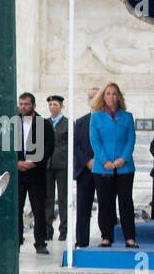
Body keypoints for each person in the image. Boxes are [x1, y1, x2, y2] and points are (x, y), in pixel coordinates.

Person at [90, 82, 136, 248]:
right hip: (103, 167)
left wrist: (123, 159)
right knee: (105, 202)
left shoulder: (127, 116)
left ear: (119, 97)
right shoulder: (96, 117)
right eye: (108, 93)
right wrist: (106, 161)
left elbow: (131, 140)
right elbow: (95, 141)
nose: (111, 97)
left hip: (124, 167)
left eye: (114, 93)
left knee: (125, 202)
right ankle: (106, 236)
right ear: (103, 97)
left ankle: (130, 237)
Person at [15, 92, 55, 255]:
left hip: (36, 173)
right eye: (21, 104)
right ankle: (16, 240)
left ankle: (40, 241)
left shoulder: (43, 124)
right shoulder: (13, 123)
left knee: (39, 209)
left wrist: (33, 162)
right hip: (18, 172)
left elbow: (49, 147)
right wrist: (16, 162)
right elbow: (7, 145)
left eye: (26, 104)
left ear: (33, 106)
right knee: (16, 208)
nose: (23, 107)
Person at [73, 87, 99, 248]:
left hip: (104, 169)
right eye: (91, 97)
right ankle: (82, 240)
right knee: (83, 209)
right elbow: (75, 146)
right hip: (85, 171)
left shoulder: (109, 120)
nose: (93, 100)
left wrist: (99, 160)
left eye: (96, 97)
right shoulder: (81, 122)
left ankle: (106, 237)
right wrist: (88, 162)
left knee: (106, 207)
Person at [46, 95, 70, 239]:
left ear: (61, 106)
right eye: (50, 104)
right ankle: (48, 229)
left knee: (63, 198)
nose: (53, 107)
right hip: (48, 164)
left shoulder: (66, 123)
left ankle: (64, 229)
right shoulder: (46, 123)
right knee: (48, 197)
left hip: (62, 164)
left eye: (55, 104)